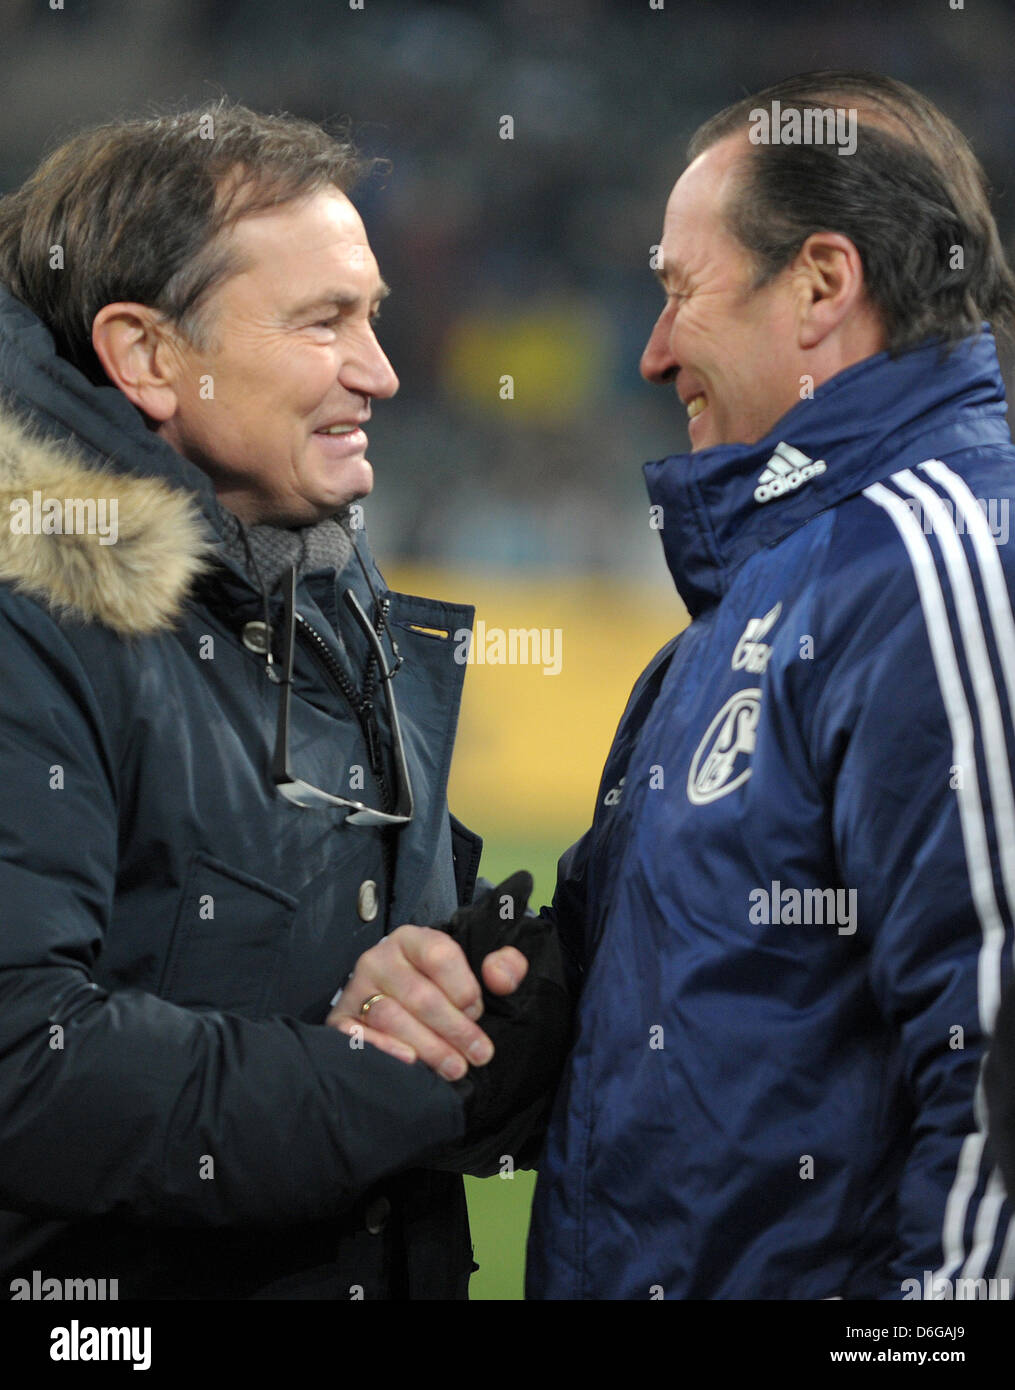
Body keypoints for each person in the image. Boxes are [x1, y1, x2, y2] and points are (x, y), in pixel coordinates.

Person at [0, 101, 549, 1301]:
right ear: (147, 355)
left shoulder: (324, 576)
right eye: (324, 324)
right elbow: (25, 1064)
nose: (384, 371)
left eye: (375, 318)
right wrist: (400, 1079)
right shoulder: (24, 612)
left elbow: (372, 960)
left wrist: (478, 991)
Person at [525, 71, 1015, 1300]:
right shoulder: (756, 602)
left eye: (678, 291)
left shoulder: (943, 565)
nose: (649, 352)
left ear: (818, 285)